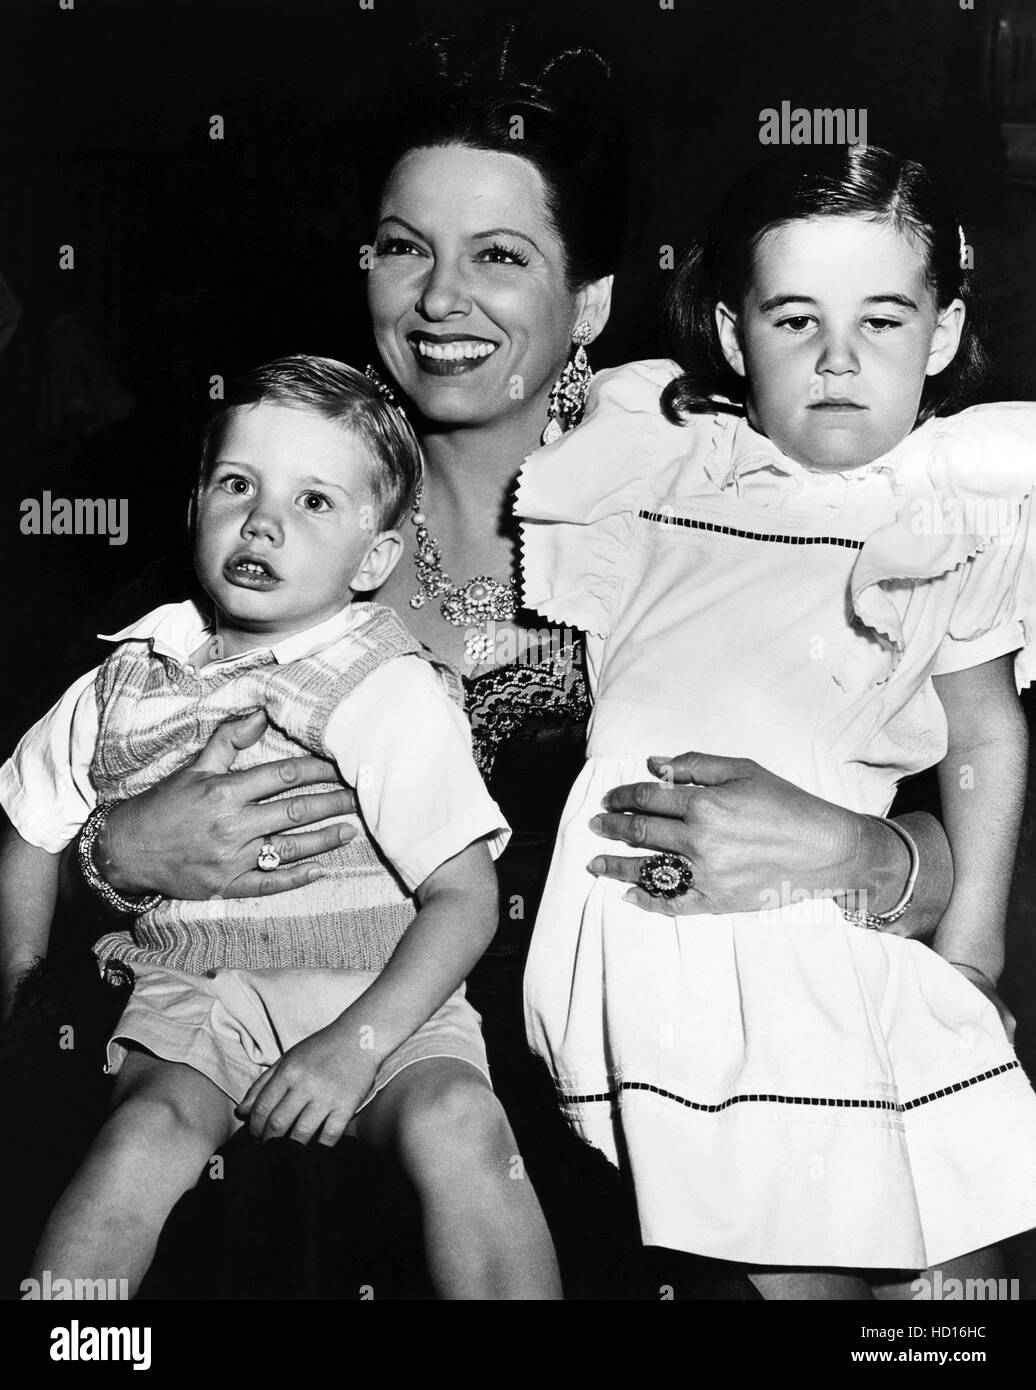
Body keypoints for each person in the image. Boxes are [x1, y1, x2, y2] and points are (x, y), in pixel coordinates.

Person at [3, 31, 958, 1298]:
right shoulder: (259, 538)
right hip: (234, 1111)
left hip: (594, 1137)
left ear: (592, 306)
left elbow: (952, 841)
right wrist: (113, 858)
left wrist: (848, 852)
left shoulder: (711, 529)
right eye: (405, 248)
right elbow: (49, 820)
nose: (440, 298)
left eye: (499, 257)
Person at [515, 144, 1036, 1299]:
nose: (839, 360)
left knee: (961, 1268)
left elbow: (986, 737)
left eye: (884, 322)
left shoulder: (957, 507)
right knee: (799, 1265)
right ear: (732, 329)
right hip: (667, 943)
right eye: (794, 320)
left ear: (943, 335)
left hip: (852, 938)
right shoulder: (662, 466)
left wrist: (975, 950)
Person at [1, 354, 562, 1300]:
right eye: (237, 484)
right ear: (193, 509)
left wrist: (359, 1045)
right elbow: (27, 821)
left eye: (314, 503)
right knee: (142, 1137)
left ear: (375, 558)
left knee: (461, 1122)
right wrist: (19, 983)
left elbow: (466, 895)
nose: (263, 520)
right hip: (198, 992)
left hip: (381, 985)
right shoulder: (129, 671)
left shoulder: (384, 682)